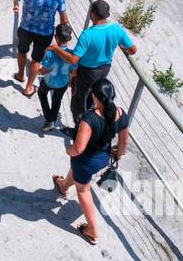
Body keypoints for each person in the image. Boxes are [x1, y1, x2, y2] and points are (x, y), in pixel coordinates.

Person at [53, 79, 130, 245]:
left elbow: (79, 148)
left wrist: (69, 151)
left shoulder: (90, 118)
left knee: (83, 191)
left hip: (85, 160)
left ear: (94, 96)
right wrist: (119, 154)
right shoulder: (121, 113)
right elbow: (123, 143)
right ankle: (64, 185)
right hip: (104, 158)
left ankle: (92, 230)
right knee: (79, 173)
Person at [49, 0, 137, 128]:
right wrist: (123, 48)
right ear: (107, 15)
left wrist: (56, 48)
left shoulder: (87, 35)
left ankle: (80, 130)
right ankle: (89, 120)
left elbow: (73, 59)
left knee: (78, 102)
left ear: (92, 14)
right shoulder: (117, 29)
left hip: (87, 72)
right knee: (93, 97)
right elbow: (133, 50)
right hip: (104, 69)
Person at [7, 0, 69, 96]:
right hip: (45, 33)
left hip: (26, 29)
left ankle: (20, 75)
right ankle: (29, 87)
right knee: (36, 59)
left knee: (22, 51)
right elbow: (64, 19)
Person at [37, 23, 76, 131]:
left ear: (55, 37)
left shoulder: (50, 53)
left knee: (41, 93)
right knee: (57, 100)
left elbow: (44, 70)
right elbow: (74, 71)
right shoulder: (72, 54)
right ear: (69, 39)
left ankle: (49, 120)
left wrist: (38, 72)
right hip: (63, 82)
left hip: (49, 81)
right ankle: (53, 120)